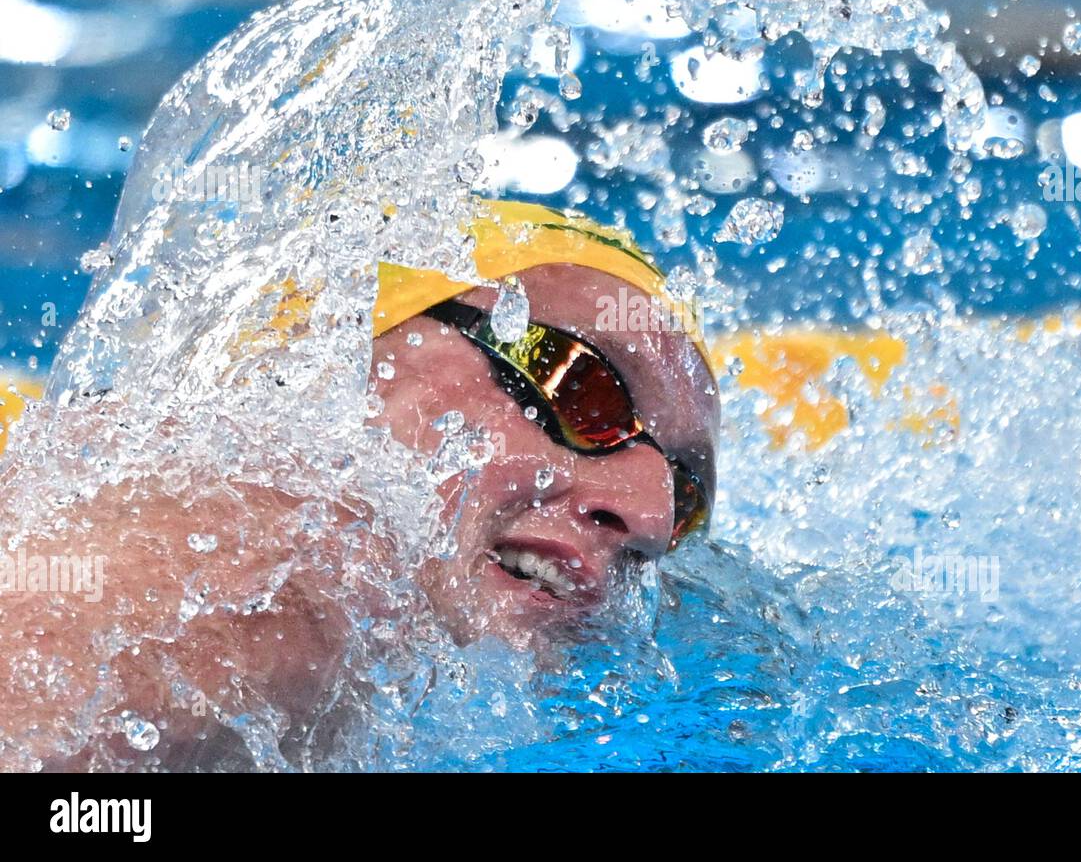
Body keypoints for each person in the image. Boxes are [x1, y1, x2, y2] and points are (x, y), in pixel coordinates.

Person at [0, 201, 719, 769]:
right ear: (331, 352)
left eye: (687, 494)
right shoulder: (310, 545)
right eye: (580, 387)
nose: (650, 517)